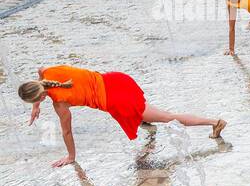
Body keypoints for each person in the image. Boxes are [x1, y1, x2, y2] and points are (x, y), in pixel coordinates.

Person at [19, 66, 225, 168]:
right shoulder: (47, 71)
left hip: (117, 99)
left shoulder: (60, 103)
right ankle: (147, 125)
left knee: (167, 117)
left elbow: (66, 131)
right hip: (115, 80)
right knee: (145, 114)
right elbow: (41, 78)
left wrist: (71, 157)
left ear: (41, 96)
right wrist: (36, 105)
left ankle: (214, 122)